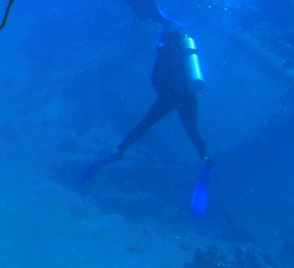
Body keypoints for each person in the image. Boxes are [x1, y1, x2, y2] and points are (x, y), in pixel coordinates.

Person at [82, 20, 213, 214]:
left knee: (145, 123)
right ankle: (205, 156)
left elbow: (155, 77)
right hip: (187, 95)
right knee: (193, 130)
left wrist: (163, 91)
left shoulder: (166, 51)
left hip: (170, 95)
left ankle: (120, 150)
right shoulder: (187, 51)